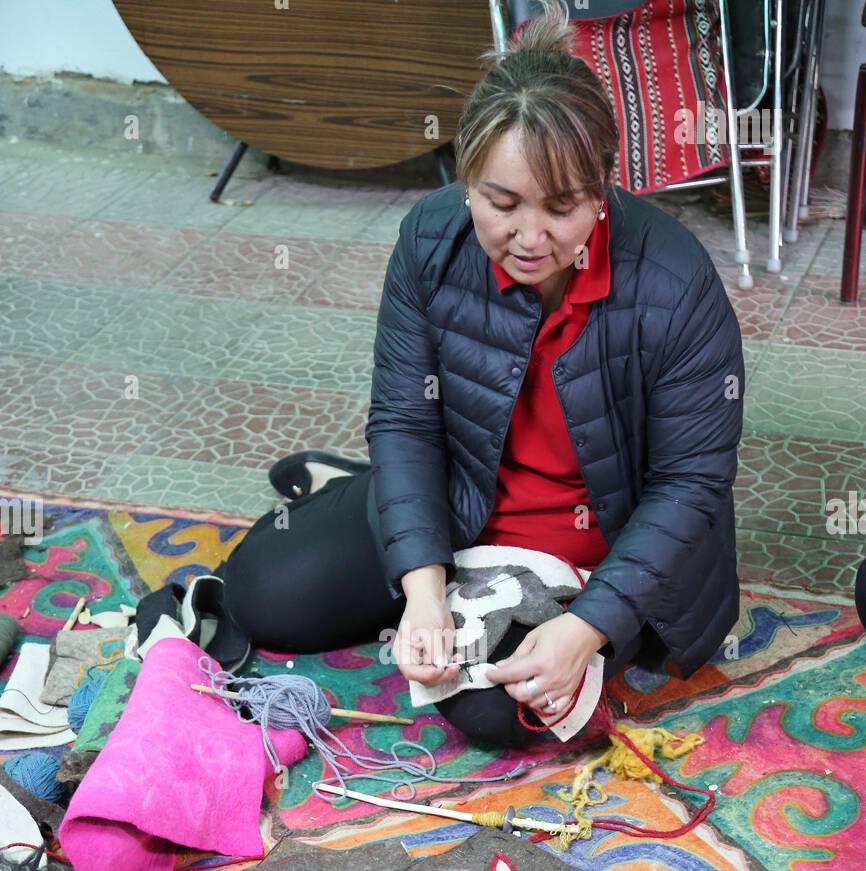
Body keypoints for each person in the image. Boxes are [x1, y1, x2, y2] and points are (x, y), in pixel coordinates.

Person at [223, 0, 744, 749]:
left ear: (604, 192)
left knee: (496, 709)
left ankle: (495, 588)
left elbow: (692, 484)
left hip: (597, 545)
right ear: (466, 180)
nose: (530, 238)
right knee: (264, 597)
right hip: (463, 498)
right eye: (501, 204)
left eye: (563, 208)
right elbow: (405, 420)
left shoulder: (675, 281)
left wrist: (589, 628)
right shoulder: (431, 240)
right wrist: (425, 594)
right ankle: (380, 515)